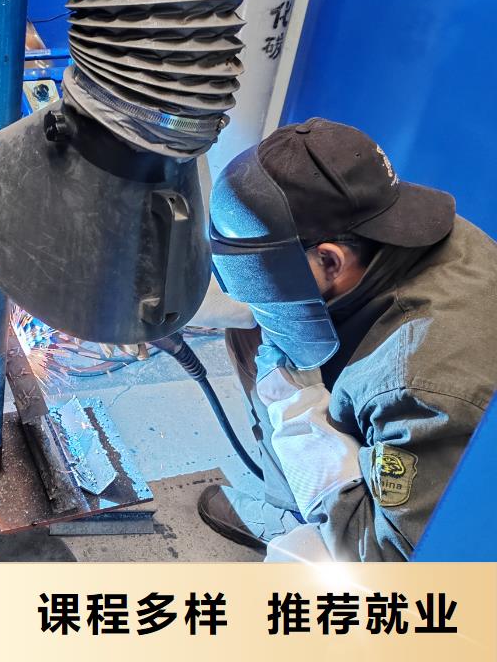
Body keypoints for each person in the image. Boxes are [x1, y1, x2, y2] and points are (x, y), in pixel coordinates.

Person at [198, 117, 497, 562]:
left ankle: (309, 525)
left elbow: (385, 555)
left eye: (267, 279)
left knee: (298, 563)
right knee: (252, 334)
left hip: (435, 549)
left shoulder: (419, 385)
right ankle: (289, 510)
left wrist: (301, 420)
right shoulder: (408, 231)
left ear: (330, 260)